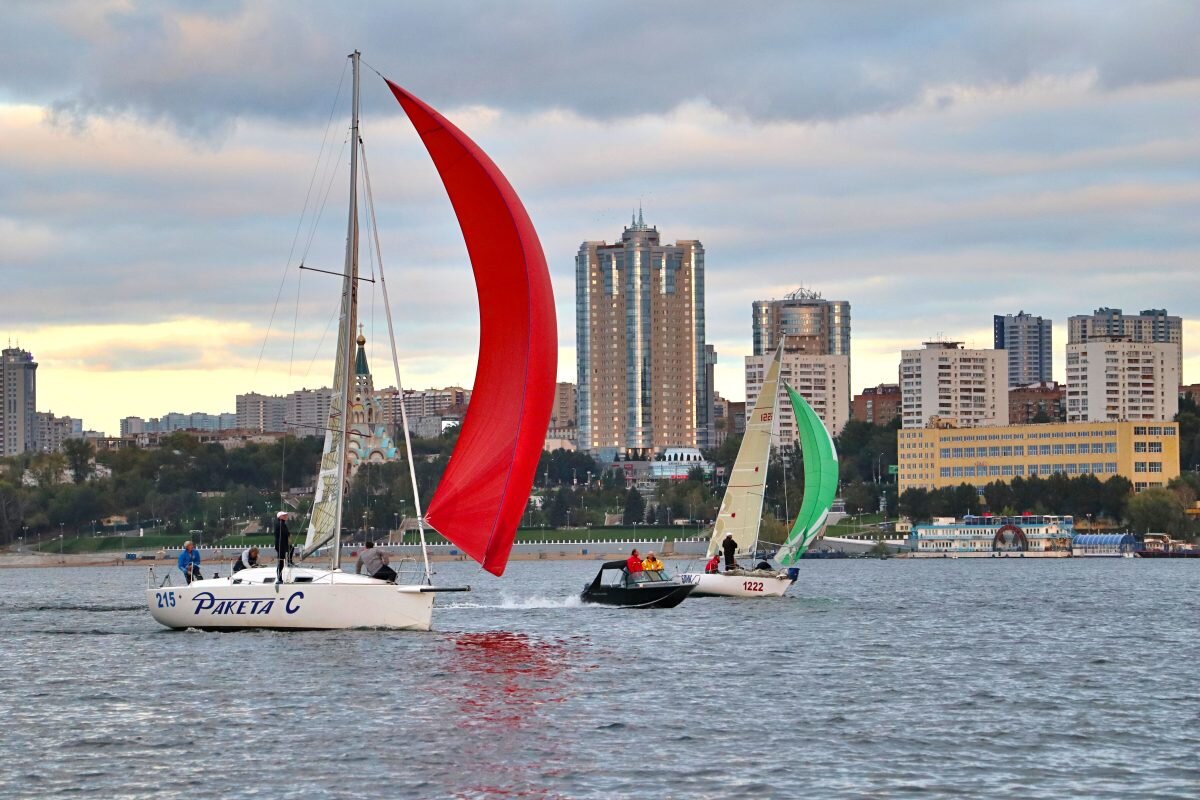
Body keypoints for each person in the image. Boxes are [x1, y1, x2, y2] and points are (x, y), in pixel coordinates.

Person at [273, 511, 292, 587]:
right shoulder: (280, 524)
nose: (286, 516)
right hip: (280, 545)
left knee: (291, 549)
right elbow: (284, 533)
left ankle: (290, 562)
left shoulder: (282, 524)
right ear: (280, 517)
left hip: (283, 545)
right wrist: (289, 534)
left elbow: (286, 533)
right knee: (281, 562)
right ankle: (279, 578)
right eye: (284, 515)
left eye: (286, 515)